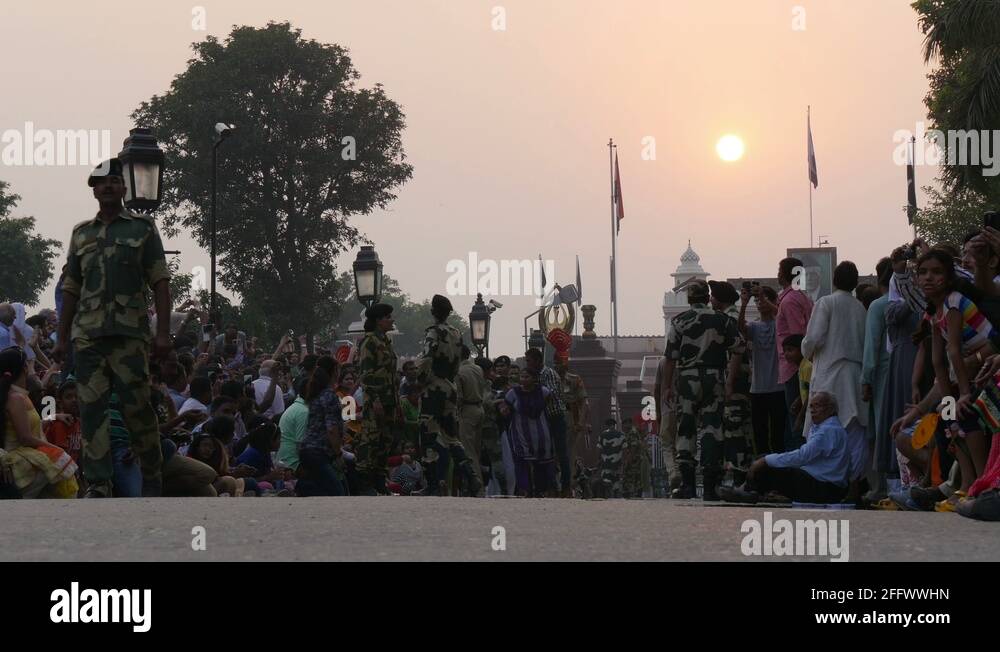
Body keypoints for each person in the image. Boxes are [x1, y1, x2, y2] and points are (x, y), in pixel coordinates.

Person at [52, 158, 171, 498]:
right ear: (94, 190)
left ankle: (152, 474)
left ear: (123, 188)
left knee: (138, 408)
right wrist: (61, 339)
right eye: (101, 182)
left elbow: (160, 281)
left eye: (114, 181)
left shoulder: (142, 229)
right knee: (92, 408)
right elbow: (71, 288)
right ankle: (100, 482)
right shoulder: (81, 233)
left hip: (129, 335)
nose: (107, 187)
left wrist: (162, 334)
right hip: (88, 336)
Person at [662, 279, 740, 500]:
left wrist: (667, 386)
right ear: (707, 297)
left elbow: (669, 358)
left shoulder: (679, 321)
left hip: (687, 378)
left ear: (689, 299)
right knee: (712, 429)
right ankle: (709, 486)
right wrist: (730, 381)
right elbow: (739, 348)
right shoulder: (721, 320)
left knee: (686, 428)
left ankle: (686, 485)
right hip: (714, 377)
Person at [801, 261, 868, 491]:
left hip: (830, 374)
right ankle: (854, 484)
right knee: (855, 431)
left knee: (821, 426)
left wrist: (806, 353)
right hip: (855, 374)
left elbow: (813, 339)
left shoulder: (826, 302)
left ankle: (820, 481)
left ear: (834, 280)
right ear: (855, 282)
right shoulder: (860, 307)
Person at [721, 392, 849, 504]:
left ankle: (749, 491)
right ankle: (748, 489)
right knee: (766, 460)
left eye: (818, 406)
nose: (813, 410)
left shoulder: (828, 430)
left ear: (830, 409)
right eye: (811, 406)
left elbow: (801, 456)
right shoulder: (828, 428)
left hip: (826, 488)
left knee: (768, 464)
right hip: (826, 484)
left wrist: (766, 460)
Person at [418, 295, 480, 496]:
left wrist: (420, 381)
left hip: (434, 387)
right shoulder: (456, 333)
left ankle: (433, 484)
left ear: (433, 312)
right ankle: (471, 476)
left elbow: (427, 359)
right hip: (450, 387)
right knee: (452, 437)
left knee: (427, 436)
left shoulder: (433, 333)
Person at [0, 346, 79, 498]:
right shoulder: (15, 398)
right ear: (24, 368)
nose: (33, 369)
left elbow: (32, 429)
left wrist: (53, 417)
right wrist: (55, 448)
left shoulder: (19, 396)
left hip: (27, 457)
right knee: (61, 467)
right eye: (30, 364)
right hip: (20, 462)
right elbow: (25, 437)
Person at [356, 303, 400, 494]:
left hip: (389, 399)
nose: (392, 320)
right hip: (376, 400)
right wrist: (374, 400)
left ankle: (379, 479)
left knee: (385, 440)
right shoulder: (370, 342)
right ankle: (364, 480)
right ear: (378, 320)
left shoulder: (386, 342)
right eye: (388, 317)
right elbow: (366, 375)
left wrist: (396, 402)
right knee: (371, 439)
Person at [711, 280, 751, 482]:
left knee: (735, 428)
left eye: (713, 296)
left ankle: (739, 476)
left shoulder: (730, 318)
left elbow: (736, 352)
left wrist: (728, 383)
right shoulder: (731, 316)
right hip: (738, 380)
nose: (710, 299)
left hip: (736, 381)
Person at [740, 285, 786, 456]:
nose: (761, 303)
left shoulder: (780, 324)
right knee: (759, 434)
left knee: (778, 434)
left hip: (778, 387)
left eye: (765, 299)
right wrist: (744, 304)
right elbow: (741, 328)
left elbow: (784, 315)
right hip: (758, 388)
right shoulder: (755, 326)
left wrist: (768, 300)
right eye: (758, 300)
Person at [775, 257, 814, 450]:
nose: (777, 274)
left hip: (793, 367)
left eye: (779, 269)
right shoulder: (801, 297)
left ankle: (796, 469)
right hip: (799, 364)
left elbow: (798, 335)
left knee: (796, 420)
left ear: (786, 274)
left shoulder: (789, 301)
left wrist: (793, 356)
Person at [499, 367, 555, 497]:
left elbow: (550, 405)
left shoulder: (544, 392)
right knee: (521, 462)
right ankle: (524, 490)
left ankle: (541, 491)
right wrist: (504, 411)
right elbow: (505, 406)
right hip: (520, 434)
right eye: (522, 377)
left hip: (541, 435)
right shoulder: (513, 393)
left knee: (541, 464)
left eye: (527, 377)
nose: (523, 380)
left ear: (534, 379)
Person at [297, 360, 347, 496]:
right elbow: (332, 429)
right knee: (337, 492)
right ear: (335, 372)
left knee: (318, 490)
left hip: (308, 450)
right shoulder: (329, 396)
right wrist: (338, 454)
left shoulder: (316, 394)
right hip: (318, 452)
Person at [525, 348, 570, 496]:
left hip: (555, 417)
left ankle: (565, 487)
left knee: (561, 453)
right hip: (544, 418)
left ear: (538, 360)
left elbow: (549, 394)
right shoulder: (536, 375)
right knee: (544, 452)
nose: (528, 364)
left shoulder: (547, 373)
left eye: (529, 360)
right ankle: (547, 486)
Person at [556, 357, 591, 492]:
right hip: (552, 419)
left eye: (559, 362)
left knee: (569, 453)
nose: (557, 365)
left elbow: (585, 403)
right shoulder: (547, 378)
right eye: (555, 362)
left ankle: (568, 485)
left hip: (570, 420)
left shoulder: (575, 380)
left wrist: (581, 423)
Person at [456, 344, 486, 493]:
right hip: (480, 408)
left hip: (467, 411)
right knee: (476, 450)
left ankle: (476, 486)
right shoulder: (478, 369)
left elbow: (459, 398)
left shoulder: (459, 371)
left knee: (468, 452)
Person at [277, 376, 310, 473]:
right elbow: (301, 446)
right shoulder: (303, 412)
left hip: (287, 458)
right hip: (292, 463)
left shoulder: (299, 407)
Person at [597, 418, 625, 498]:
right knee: (616, 479)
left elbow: (599, 448)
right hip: (617, 462)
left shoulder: (602, 435)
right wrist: (624, 460)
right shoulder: (621, 435)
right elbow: (625, 448)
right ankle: (616, 494)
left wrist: (598, 459)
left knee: (606, 479)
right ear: (614, 425)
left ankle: (607, 495)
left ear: (607, 425)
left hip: (606, 462)